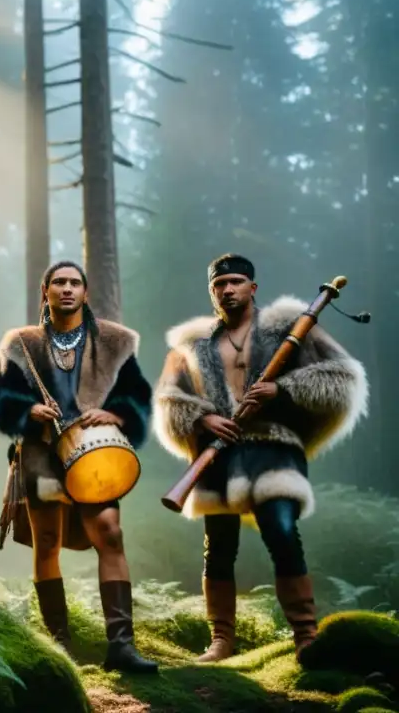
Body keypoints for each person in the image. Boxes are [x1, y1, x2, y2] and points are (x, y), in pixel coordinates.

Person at [153, 253, 368, 661]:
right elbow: (168, 398)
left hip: (273, 443)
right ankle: (221, 641)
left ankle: (305, 636)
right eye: (220, 284)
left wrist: (282, 390)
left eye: (236, 282)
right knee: (217, 546)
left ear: (253, 288)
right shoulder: (190, 345)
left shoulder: (291, 327)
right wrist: (203, 419)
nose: (228, 290)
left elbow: (342, 375)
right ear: (211, 291)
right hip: (218, 452)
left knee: (282, 531)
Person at [0, 261, 158, 674]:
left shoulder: (115, 342)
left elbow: (136, 394)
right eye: (58, 283)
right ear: (45, 291)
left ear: (86, 292)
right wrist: (28, 409)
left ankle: (121, 645)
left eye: (74, 283)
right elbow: (1, 397)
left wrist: (118, 414)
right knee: (47, 540)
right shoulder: (21, 343)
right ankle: (58, 644)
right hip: (41, 451)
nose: (67, 289)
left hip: (97, 451)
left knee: (110, 534)